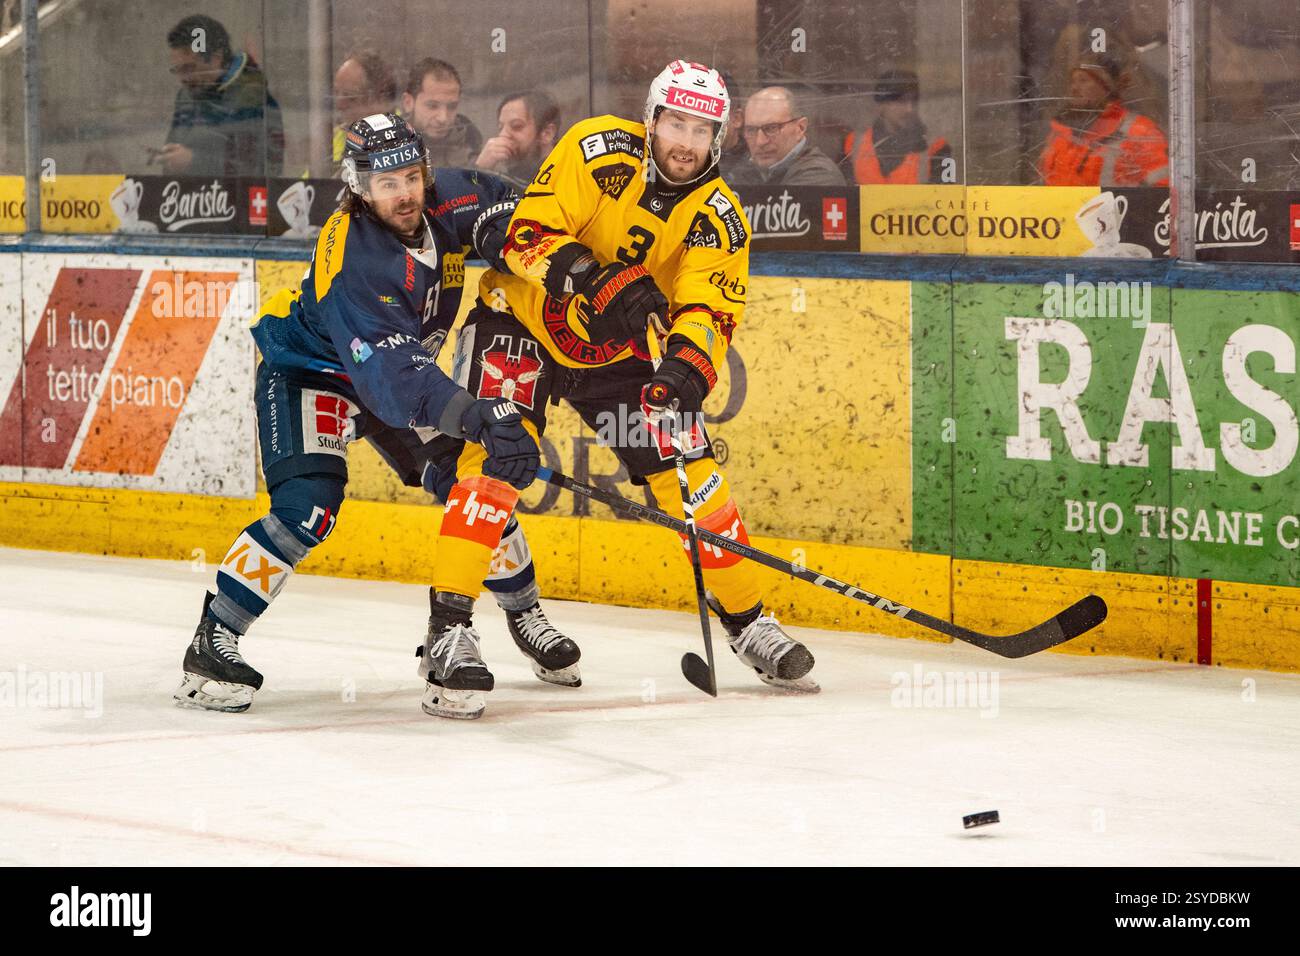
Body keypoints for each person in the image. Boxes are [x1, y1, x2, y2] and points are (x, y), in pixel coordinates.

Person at [175, 112, 581, 721]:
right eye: (387, 182)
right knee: (308, 508)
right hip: (314, 370)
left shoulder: (446, 194)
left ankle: (525, 616)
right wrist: (478, 416)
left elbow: (519, 212)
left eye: (412, 176)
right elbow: (392, 384)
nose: (406, 192)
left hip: (399, 372)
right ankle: (213, 638)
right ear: (359, 186)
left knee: (473, 479)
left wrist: (531, 250)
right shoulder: (357, 257)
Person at [436, 60, 819, 696]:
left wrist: (685, 373)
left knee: (692, 475)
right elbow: (524, 232)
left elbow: (710, 310)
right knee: (491, 464)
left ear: (718, 137)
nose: (686, 141)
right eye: (676, 122)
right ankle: (449, 632)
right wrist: (594, 274)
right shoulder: (596, 152)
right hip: (521, 322)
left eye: (702, 129)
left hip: (615, 359)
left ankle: (748, 622)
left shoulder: (718, 216)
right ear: (652, 119)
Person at [159, 14, 284, 176]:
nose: (183, 79)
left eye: (189, 68)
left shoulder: (253, 100)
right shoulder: (186, 97)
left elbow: (260, 170)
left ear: (216, 59)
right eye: (178, 70)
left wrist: (194, 162)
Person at [1039, 54, 1169, 187]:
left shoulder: (1141, 133)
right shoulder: (1059, 133)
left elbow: (1162, 195)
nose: (1074, 88)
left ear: (1106, 87)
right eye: (1073, 81)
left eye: (1083, 80)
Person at [843, 69, 952, 185]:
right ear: (881, 104)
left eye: (914, 101)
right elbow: (841, 195)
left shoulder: (937, 147)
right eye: (901, 101)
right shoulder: (853, 143)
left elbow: (944, 198)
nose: (909, 109)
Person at [731, 86, 844, 186]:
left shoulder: (819, 175)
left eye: (772, 128)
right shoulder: (742, 170)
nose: (760, 141)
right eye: (751, 130)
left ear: (800, 128)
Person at [401, 59, 483, 168]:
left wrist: (482, 169)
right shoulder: (387, 149)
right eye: (432, 106)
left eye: (451, 107)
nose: (443, 118)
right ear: (408, 103)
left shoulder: (471, 142)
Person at [475, 90, 562, 188]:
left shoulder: (568, 178)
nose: (502, 135)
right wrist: (480, 171)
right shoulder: (506, 181)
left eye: (516, 126)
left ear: (547, 133)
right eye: (501, 128)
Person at [331, 52, 397, 163]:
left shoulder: (404, 137)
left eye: (350, 96)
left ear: (378, 99)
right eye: (336, 93)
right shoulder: (334, 136)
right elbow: (309, 179)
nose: (339, 104)